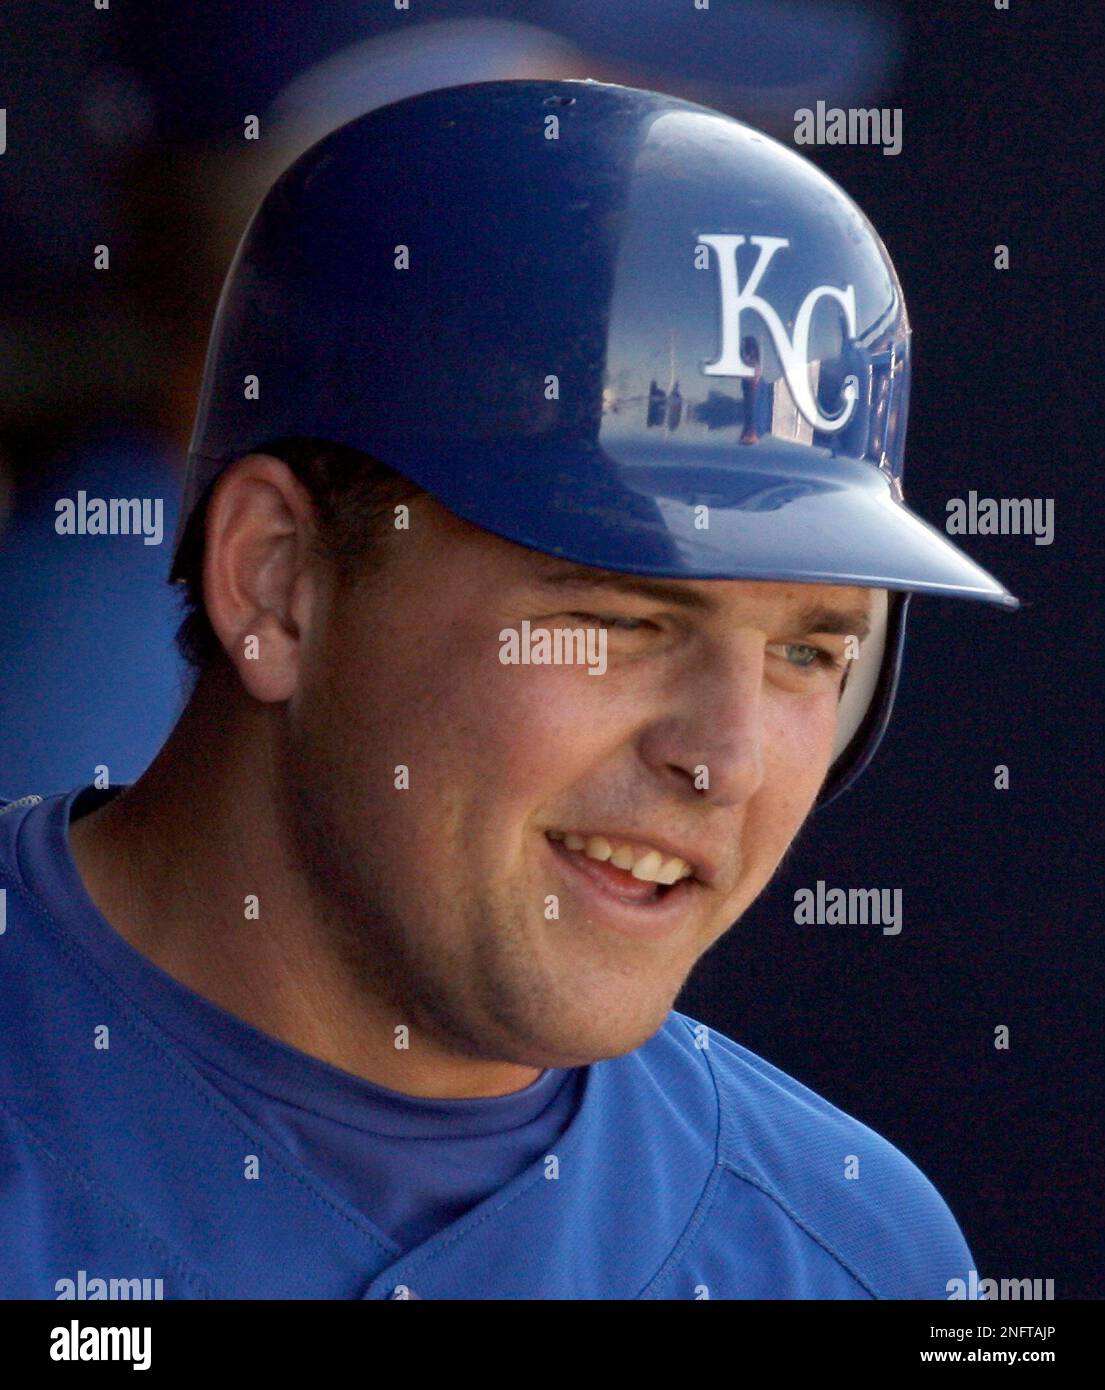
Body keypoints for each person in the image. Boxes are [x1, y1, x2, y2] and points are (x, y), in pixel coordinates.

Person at [0, 79, 1018, 1300]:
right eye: (624, 618)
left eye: (809, 650)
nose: (726, 758)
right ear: (277, 583)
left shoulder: (854, 1255)